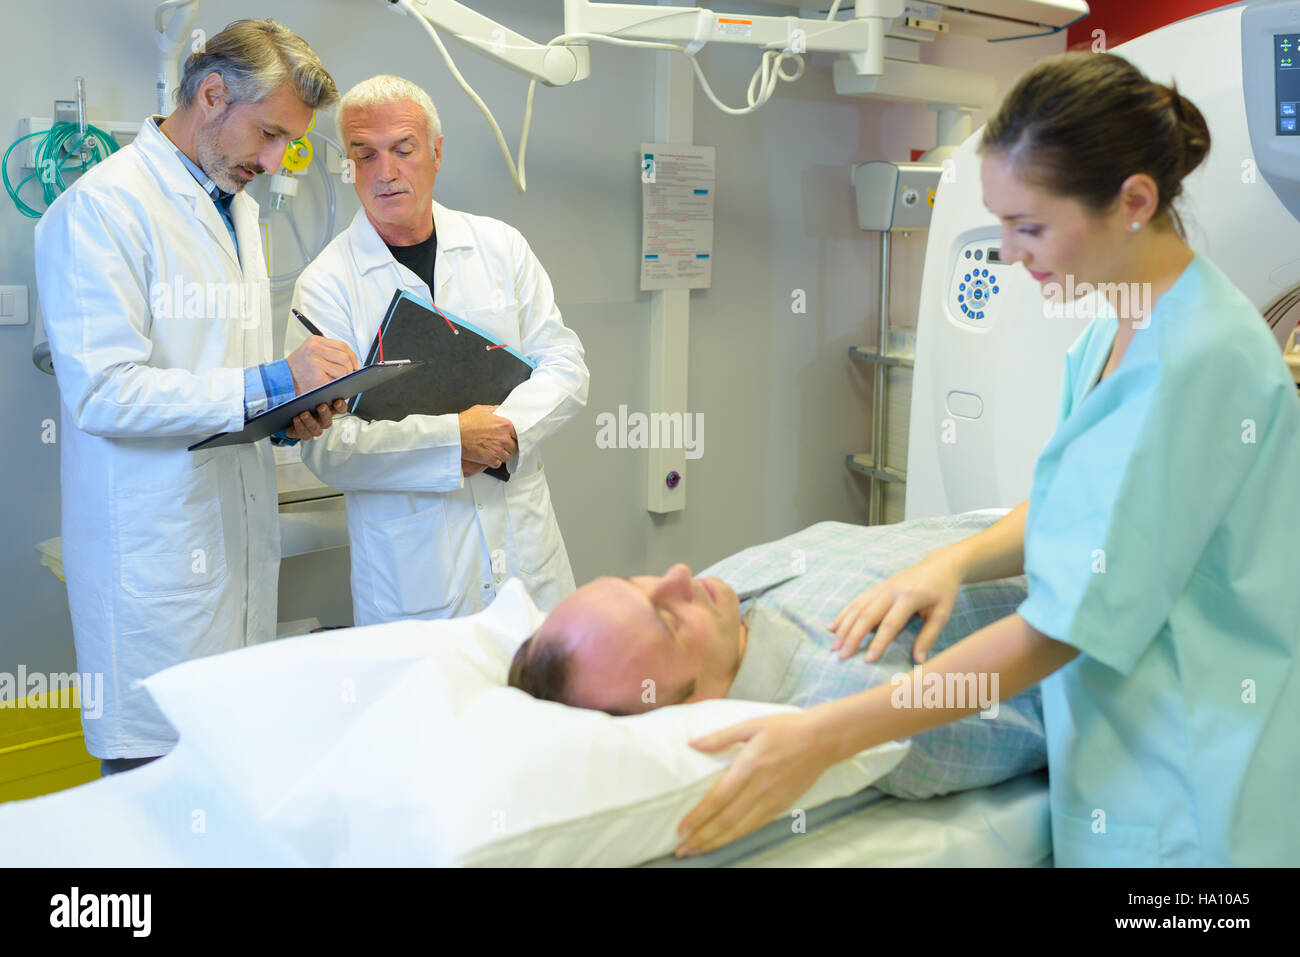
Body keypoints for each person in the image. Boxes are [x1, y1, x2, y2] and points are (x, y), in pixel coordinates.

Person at [673, 52, 1300, 865]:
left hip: (1195, 801)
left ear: (1134, 201)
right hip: (1121, 772)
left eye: (1029, 226)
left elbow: (1053, 633)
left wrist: (824, 735)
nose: (1007, 252)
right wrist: (953, 560)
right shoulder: (1110, 332)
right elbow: (1081, 508)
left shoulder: (1197, 362)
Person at [34, 20, 357, 775]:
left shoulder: (237, 209)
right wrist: (274, 381)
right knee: (155, 805)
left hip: (236, 546)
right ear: (211, 94)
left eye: (290, 143)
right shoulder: (101, 210)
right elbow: (106, 395)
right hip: (154, 569)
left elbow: (219, 374)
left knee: (231, 786)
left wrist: (285, 414)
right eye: (269, 134)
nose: (277, 163)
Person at [285, 75, 589, 625]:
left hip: (525, 554)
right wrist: (453, 440)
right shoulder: (326, 284)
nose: (386, 172)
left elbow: (564, 364)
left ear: (437, 152)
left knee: (538, 703)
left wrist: (504, 430)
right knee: (427, 707)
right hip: (414, 574)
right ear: (348, 163)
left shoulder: (500, 248)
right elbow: (327, 447)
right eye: (364, 155)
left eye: (404, 149)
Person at [509, 514, 1048, 801]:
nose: (677, 575)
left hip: (1034, 519)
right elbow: (1047, 701)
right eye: (668, 621)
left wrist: (952, 559)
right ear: (686, 704)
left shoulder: (731, 588)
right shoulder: (851, 700)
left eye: (636, 583)